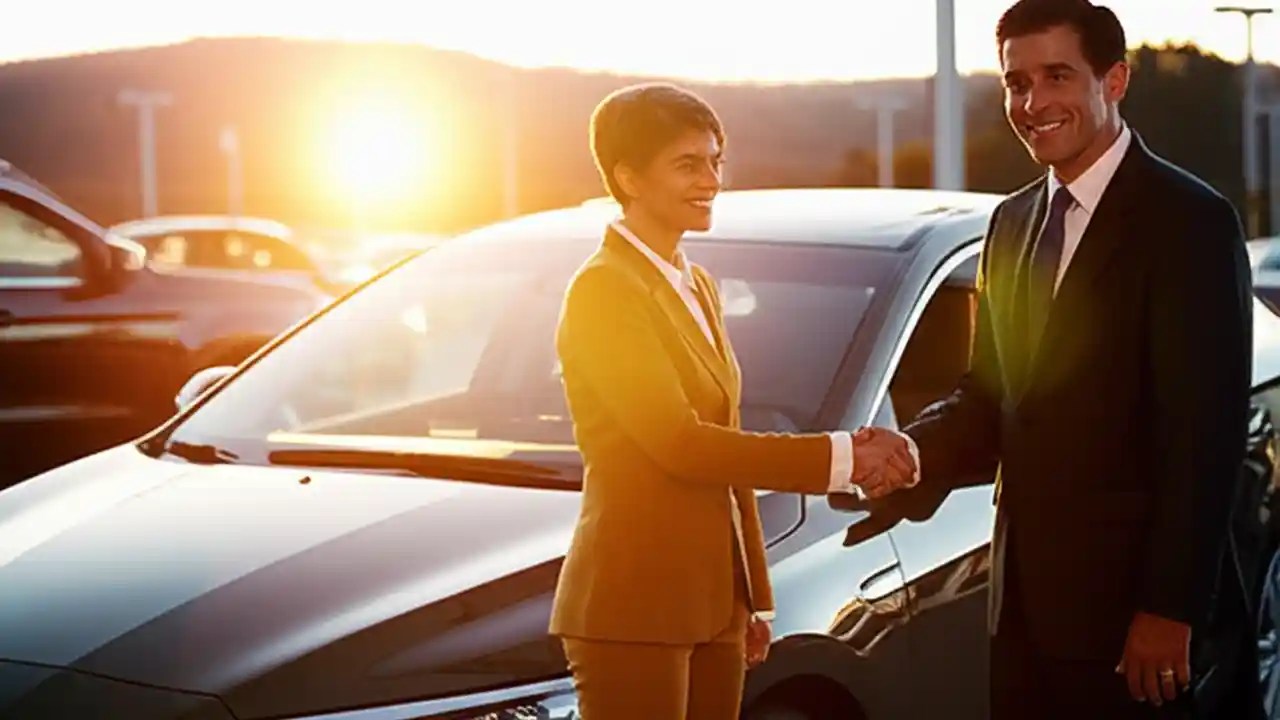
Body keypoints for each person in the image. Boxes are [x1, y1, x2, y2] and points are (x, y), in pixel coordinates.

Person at [856, 0, 1253, 717]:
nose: (1033, 103)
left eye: (1057, 76)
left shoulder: (1190, 222)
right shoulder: (1009, 223)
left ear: (1115, 80)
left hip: (1136, 620)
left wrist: (1170, 609)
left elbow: (1205, 436)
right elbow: (992, 395)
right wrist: (912, 453)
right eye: (1017, 83)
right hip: (1022, 610)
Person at [548, 82, 914, 720]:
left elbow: (727, 438)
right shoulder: (604, 291)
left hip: (715, 604)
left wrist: (753, 598)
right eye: (688, 164)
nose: (711, 180)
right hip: (635, 604)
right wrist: (842, 458)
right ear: (629, 178)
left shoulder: (698, 285)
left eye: (716, 161)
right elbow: (680, 444)